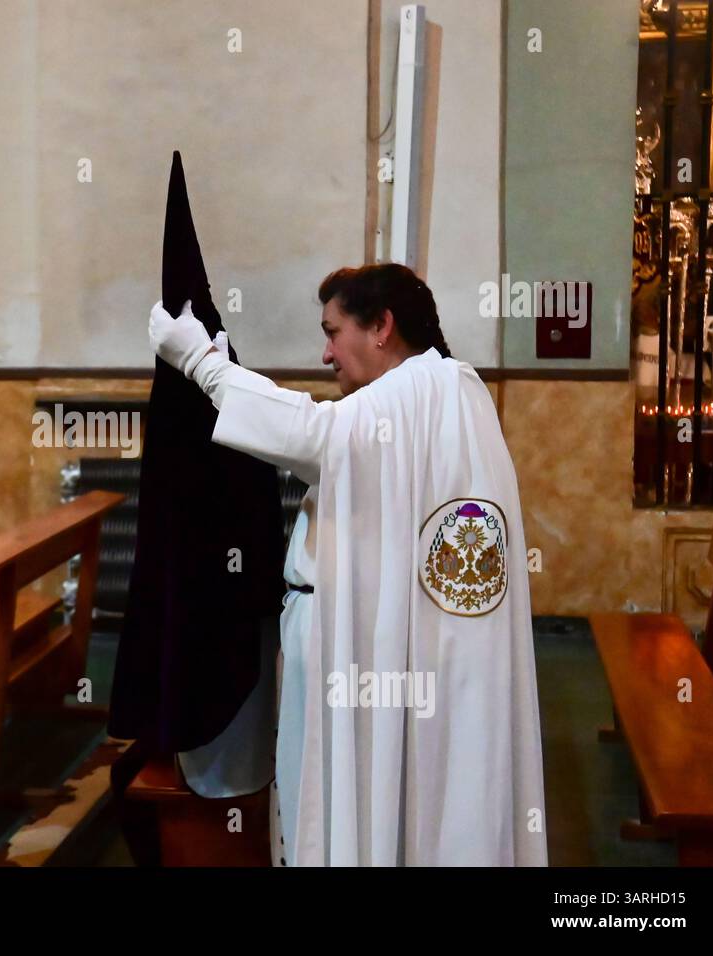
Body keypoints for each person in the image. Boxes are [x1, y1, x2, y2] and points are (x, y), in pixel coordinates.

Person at [148, 262, 547, 866]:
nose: (327, 352)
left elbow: (312, 436)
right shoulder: (451, 392)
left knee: (359, 802)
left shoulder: (412, 393)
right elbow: (329, 449)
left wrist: (203, 364)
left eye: (334, 331)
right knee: (420, 799)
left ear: (382, 326)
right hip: (416, 655)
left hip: (373, 663)